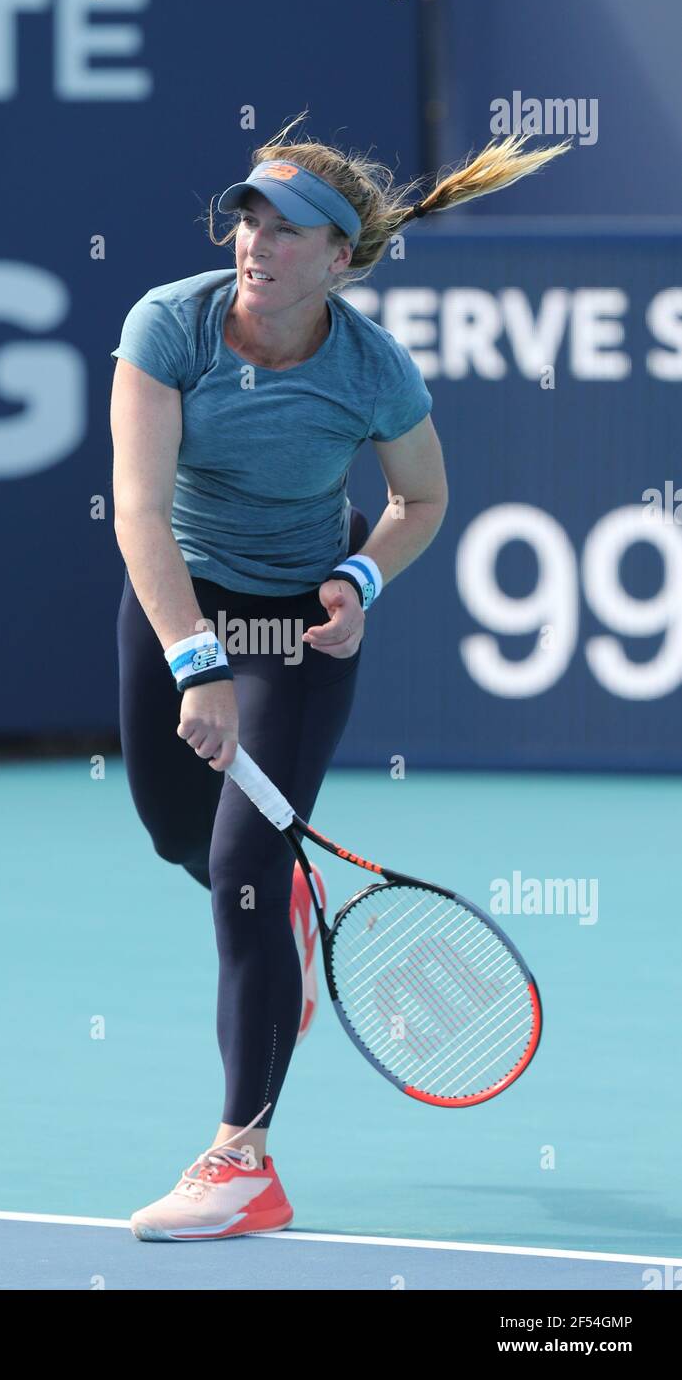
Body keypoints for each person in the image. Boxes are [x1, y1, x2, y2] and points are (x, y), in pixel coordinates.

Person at [110, 113, 570, 1242]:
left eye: (289, 228)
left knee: (242, 867)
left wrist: (362, 579)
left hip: (298, 627)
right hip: (183, 597)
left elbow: (423, 499)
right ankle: (293, 914)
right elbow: (136, 511)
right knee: (176, 834)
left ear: (343, 259)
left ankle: (241, 1159)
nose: (256, 241)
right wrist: (194, 660)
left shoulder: (372, 369)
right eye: (249, 216)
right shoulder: (168, 325)